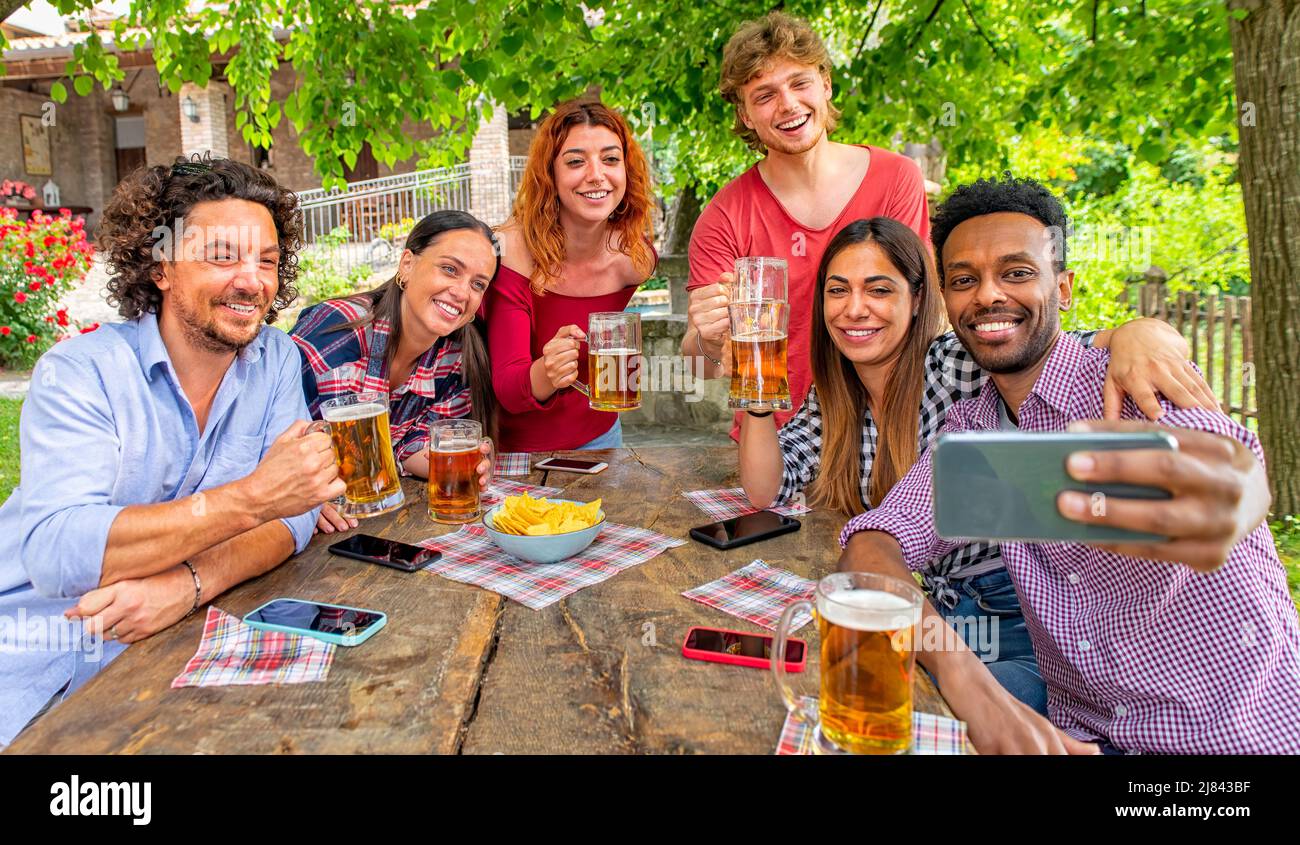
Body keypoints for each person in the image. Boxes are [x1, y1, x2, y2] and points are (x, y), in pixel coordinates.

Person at [838, 175, 1299, 754]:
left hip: (1230, 745)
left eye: (1016, 273)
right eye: (963, 280)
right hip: (1080, 738)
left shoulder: (1131, 383)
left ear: (1064, 287)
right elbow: (872, 546)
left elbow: (1236, 493)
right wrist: (974, 690)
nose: (986, 296)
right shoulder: (972, 429)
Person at [739, 216, 1218, 714]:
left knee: (908, 718)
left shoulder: (955, 363)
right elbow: (765, 491)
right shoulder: (835, 396)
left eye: (878, 289)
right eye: (838, 291)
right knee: (815, 691)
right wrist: (752, 379)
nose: (855, 309)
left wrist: (1141, 332)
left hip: (1020, 619)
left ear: (919, 298)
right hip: (939, 612)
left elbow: (1061, 347)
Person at [0, 156, 341, 747]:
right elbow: (59, 552)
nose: (252, 280)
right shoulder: (80, 373)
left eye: (265, 259)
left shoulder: (277, 360)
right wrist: (252, 498)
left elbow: (296, 515)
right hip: (33, 655)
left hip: (172, 648)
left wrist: (187, 584)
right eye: (222, 255)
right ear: (161, 266)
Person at [684, 11, 931, 438]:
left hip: (885, 428)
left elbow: (920, 310)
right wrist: (706, 339)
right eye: (764, 95)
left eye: (800, 83)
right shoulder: (724, 216)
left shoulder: (897, 179)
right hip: (772, 440)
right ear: (745, 115)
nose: (789, 105)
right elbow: (699, 367)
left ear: (825, 84)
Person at [291, 210, 499, 533]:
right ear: (407, 265)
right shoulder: (338, 331)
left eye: (477, 284)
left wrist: (451, 462)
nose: (462, 292)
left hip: (367, 527)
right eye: (449, 269)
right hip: (299, 528)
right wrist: (300, 500)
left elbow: (409, 445)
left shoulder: (453, 357)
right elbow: (263, 433)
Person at [488, 99, 656, 451]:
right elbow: (508, 387)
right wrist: (548, 371)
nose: (596, 175)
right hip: (516, 454)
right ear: (550, 174)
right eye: (576, 162)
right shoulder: (511, 251)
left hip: (602, 439)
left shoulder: (635, 260)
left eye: (610, 159)